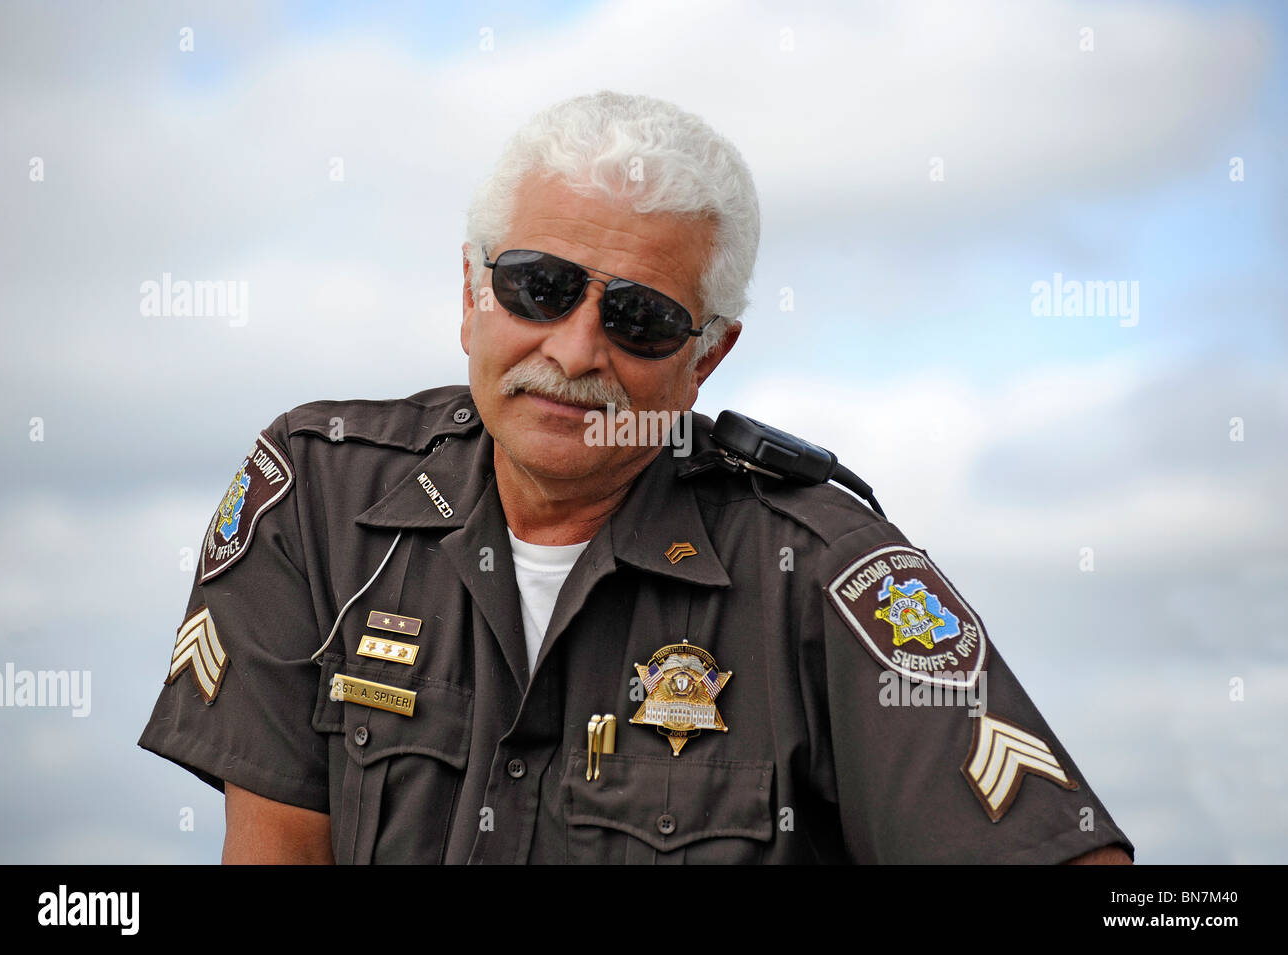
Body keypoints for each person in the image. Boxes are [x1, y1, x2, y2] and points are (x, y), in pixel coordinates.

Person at [139, 91, 1134, 864]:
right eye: (539, 286)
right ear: (469, 291)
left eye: (640, 319)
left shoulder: (830, 575)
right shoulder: (316, 498)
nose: (574, 351)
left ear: (705, 359)